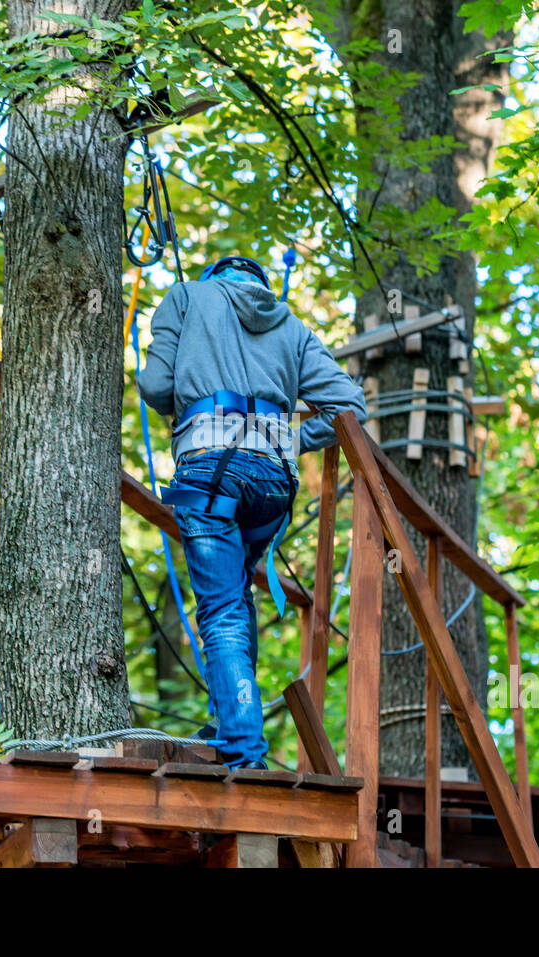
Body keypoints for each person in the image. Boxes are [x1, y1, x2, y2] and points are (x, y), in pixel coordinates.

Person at [137, 254, 367, 769]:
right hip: (270, 486)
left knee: (220, 607)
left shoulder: (186, 297)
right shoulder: (293, 326)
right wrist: (289, 437)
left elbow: (155, 387)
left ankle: (242, 749)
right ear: (260, 284)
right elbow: (350, 408)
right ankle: (228, 722)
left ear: (215, 277)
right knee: (235, 598)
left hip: (210, 472)